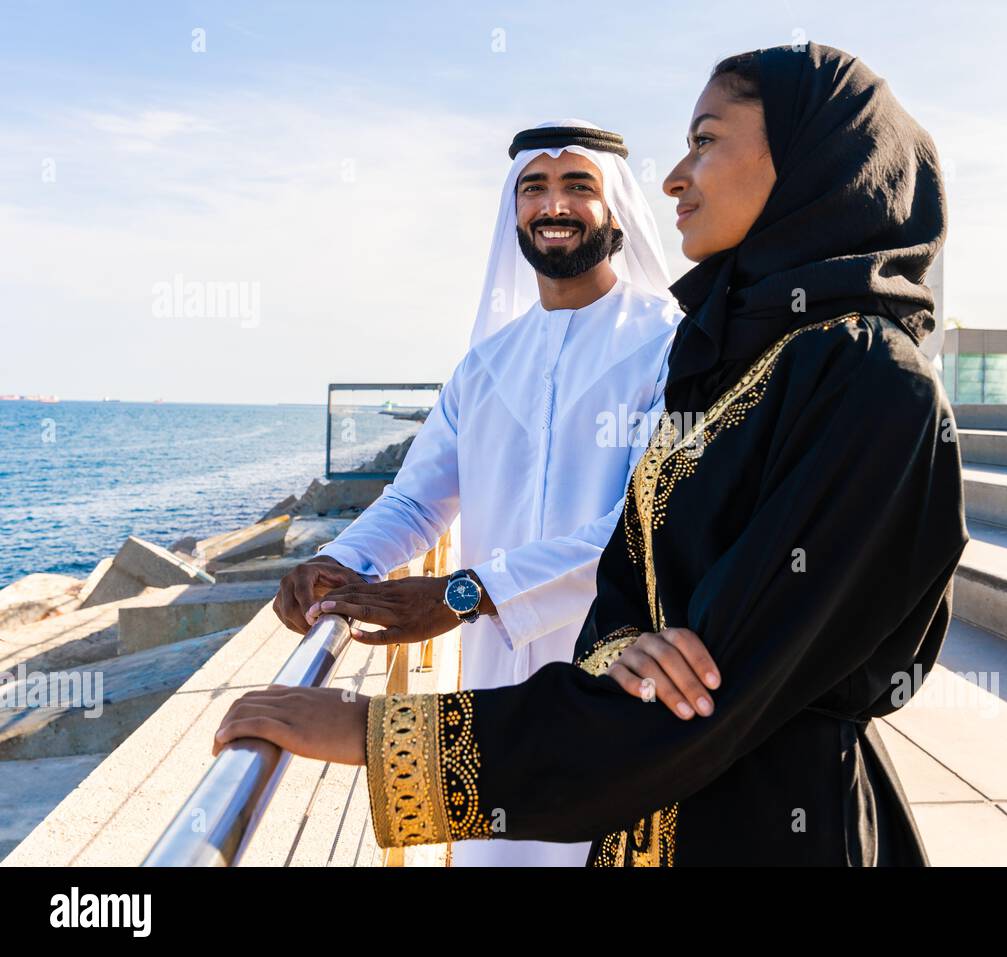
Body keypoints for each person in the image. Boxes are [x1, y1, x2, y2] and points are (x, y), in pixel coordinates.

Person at [218, 43, 968, 866]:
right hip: (577, 738)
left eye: (704, 141)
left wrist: (395, 715)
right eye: (533, 187)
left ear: (807, 158)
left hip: (723, 797)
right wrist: (343, 560)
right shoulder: (554, 364)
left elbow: (717, 672)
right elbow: (628, 575)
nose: (676, 176)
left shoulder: (804, 370)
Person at [269, 120, 683, 867]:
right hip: (496, 688)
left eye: (577, 186)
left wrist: (464, 594)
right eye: (534, 188)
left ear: (617, 209)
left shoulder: (671, 346)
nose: (553, 204)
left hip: (624, 684)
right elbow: (418, 501)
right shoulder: (486, 366)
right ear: (514, 210)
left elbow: (642, 529)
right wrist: (338, 559)